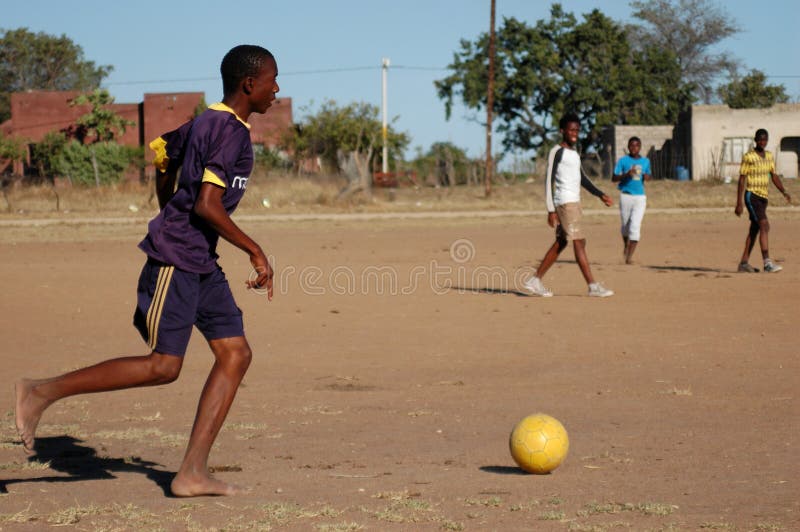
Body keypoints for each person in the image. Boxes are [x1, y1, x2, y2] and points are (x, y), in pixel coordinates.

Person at [14, 44, 279, 497]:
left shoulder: (204, 122)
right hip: (176, 259)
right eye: (273, 79)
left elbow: (164, 154)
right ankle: (40, 392)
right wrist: (255, 251)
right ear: (249, 84)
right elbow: (207, 204)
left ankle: (191, 473)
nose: (277, 89)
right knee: (163, 366)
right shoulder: (228, 131)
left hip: (200, 260)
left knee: (235, 354)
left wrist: (169, 209)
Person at [523, 113, 615, 298]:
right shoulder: (557, 151)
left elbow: (582, 178)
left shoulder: (573, 153)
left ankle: (535, 280)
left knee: (562, 242)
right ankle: (592, 286)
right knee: (579, 242)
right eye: (571, 130)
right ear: (562, 131)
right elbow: (548, 180)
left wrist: (600, 194)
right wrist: (550, 210)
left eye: (577, 130)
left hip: (574, 202)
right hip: (565, 203)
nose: (575, 133)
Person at [735, 128, 791, 273]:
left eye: (765, 139)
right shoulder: (749, 157)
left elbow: (774, 176)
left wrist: (783, 191)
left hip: (763, 197)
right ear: (755, 140)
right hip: (752, 195)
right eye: (760, 139)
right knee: (764, 225)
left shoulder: (769, 156)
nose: (762, 142)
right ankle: (767, 263)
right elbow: (742, 180)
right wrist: (739, 203)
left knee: (755, 230)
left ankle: (743, 263)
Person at [612, 136, 652, 264]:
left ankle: (629, 257)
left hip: (640, 197)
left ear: (640, 147)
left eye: (637, 146)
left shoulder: (645, 161)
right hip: (625, 196)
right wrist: (627, 174)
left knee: (635, 226)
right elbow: (614, 178)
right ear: (628, 147)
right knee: (625, 227)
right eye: (632, 145)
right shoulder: (623, 161)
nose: (634, 148)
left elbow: (649, 175)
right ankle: (626, 245)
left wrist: (647, 176)